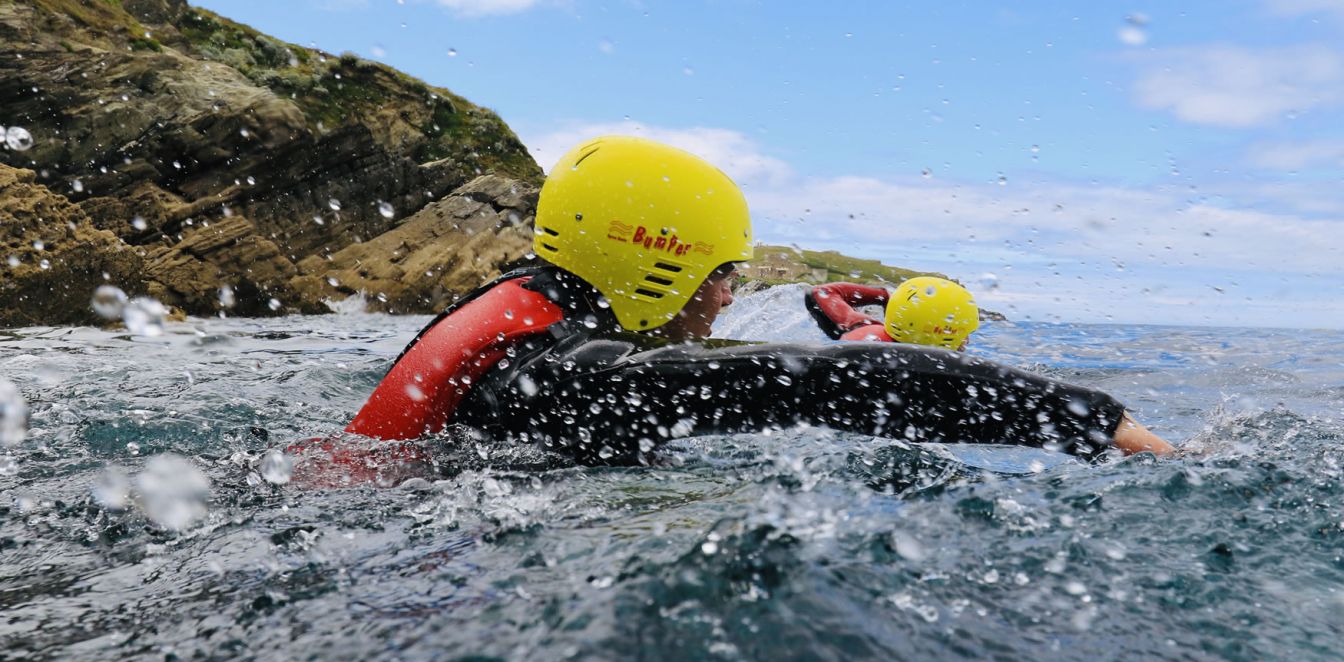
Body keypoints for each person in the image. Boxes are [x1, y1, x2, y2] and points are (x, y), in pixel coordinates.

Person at [344, 135, 1174, 464]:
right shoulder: (563, 377)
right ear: (659, 267)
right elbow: (822, 382)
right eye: (723, 272)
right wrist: (1093, 423)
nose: (732, 294)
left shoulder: (530, 317)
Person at [806, 276, 980, 350]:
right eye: (964, 332)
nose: (968, 340)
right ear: (936, 331)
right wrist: (882, 296)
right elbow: (820, 292)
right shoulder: (865, 338)